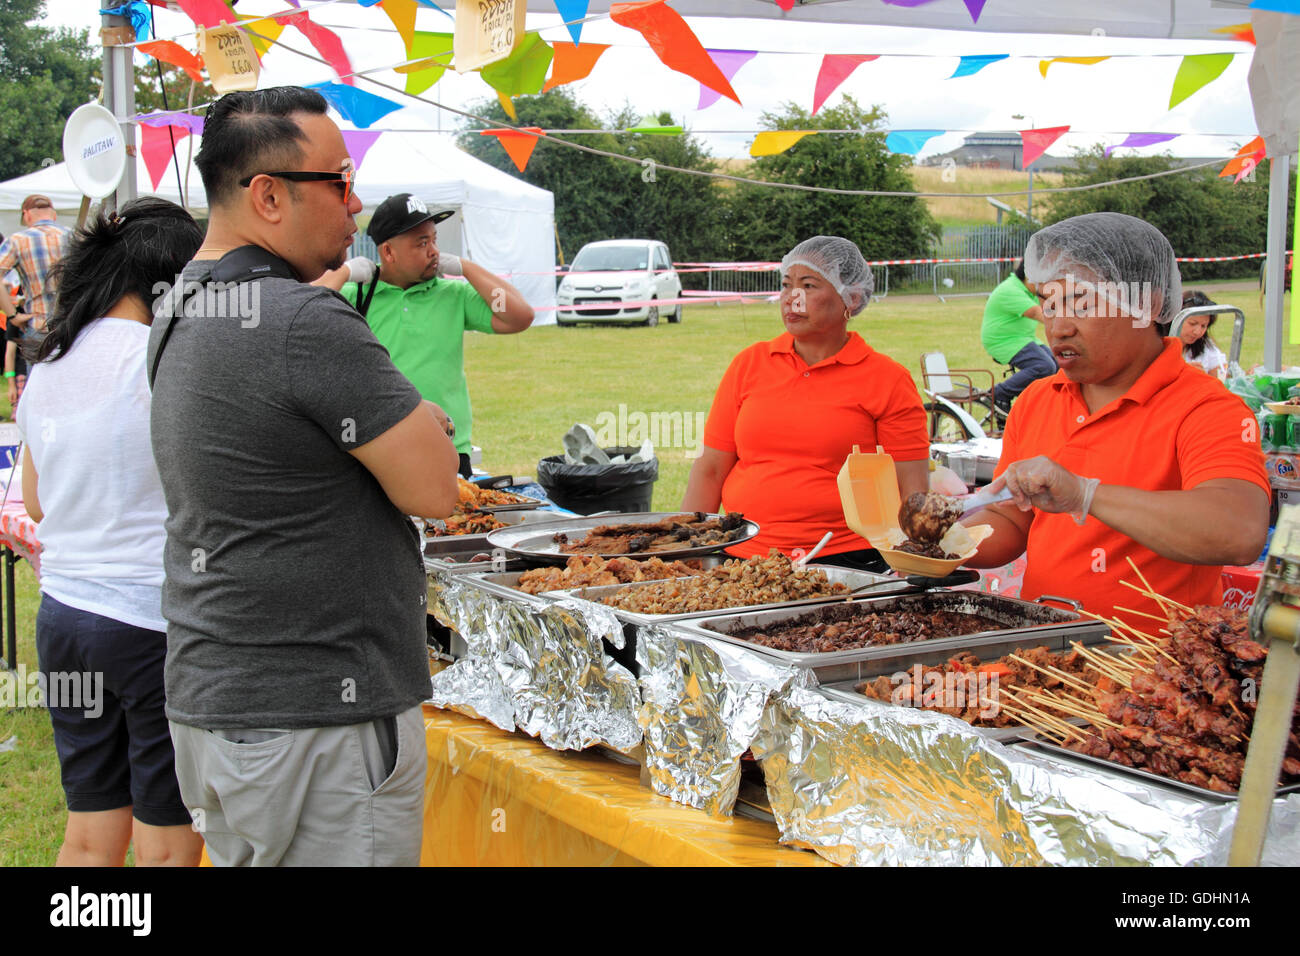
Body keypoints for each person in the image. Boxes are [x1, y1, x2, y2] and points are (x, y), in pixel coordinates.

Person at [147, 86, 459, 866]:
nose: (356, 206)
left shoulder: (181, 304)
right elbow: (436, 490)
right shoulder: (302, 321)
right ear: (269, 194)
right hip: (320, 717)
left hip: (218, 699)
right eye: (340, 182)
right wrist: (415, 416)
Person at [16, 197, 205, 866]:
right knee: (165, 843)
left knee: (90, 836)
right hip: (147, 624)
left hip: (64, 617)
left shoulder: (51, 361)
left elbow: (35, 503)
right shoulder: (164, 360)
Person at [963, 212, 1268, 622]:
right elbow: (1011, 517)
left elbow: (1239, 531)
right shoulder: (1038, 398)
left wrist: (1085, 495)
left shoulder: (1206, 407)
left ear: (1148, 303)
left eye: (1080, 302)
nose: (1058, 327)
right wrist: (944, 543)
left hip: (1154, 671)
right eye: (1048, 304)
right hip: (1042, 659)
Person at [682, 235, 930, 570]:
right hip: (742, 556)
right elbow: (710, 470)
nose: (791, 298)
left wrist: (913, 564)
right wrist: (687, 553)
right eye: (786, 285)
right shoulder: (750, 364)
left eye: (809, 286)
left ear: (851, 299)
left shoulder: (888, 379)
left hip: (845, 561)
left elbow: (911, 489)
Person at [319, 193, 534, 478]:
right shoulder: (358, 295)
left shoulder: (453, 295)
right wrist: (345, 272)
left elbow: (520, 315)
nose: (433, 251)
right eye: (421, 243)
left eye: (434, 240)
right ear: (389, 252)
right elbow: (300, 309)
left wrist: (465, 268)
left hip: (447, 447)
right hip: (378, 446)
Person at [0, 195, 71, 408]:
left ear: (27, 214)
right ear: (53, 213)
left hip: (38, 324)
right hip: (73, 325)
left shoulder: (18, 240)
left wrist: (13, 315)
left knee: (39, 396)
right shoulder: (74, 236)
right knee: (70, 392)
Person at [981, 259, 1057, 416]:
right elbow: (1037, 312)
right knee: (1044, 366)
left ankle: (1042, 405)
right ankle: (997, 394)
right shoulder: (1010, 290)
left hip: (1024, 338)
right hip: (1003, 340)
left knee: (1059, 364)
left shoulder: (1029, 290)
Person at [1174, 289, 1228, 379]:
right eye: (1192, 323)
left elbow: (1223, 376)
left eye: (1203, 326)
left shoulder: (1205, 347)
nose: (1197, 332)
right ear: (1176, 318)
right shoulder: (1156, 345)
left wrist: (1248, 376)